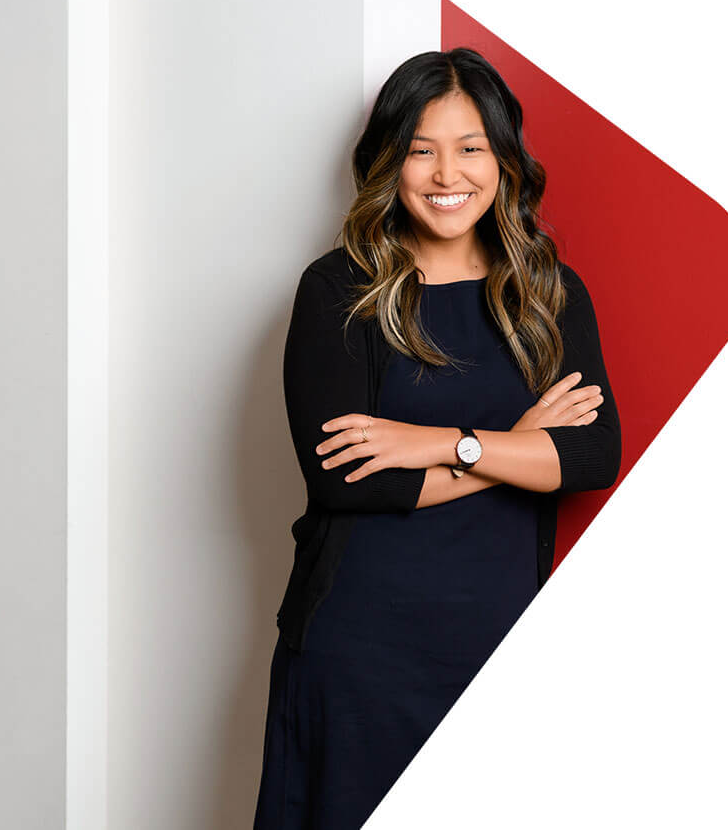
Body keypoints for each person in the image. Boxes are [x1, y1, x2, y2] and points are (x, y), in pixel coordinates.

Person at [252, 47, 622, 830]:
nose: (446, 174)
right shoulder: (337, 291)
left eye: (470, 148)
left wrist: (441, 444)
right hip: (358, 655)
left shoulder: (549, 294)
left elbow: (589, 458)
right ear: (390, 161)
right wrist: (518, 445)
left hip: (499, 643)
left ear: (504, 162)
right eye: (421, 149)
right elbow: (351, 483)